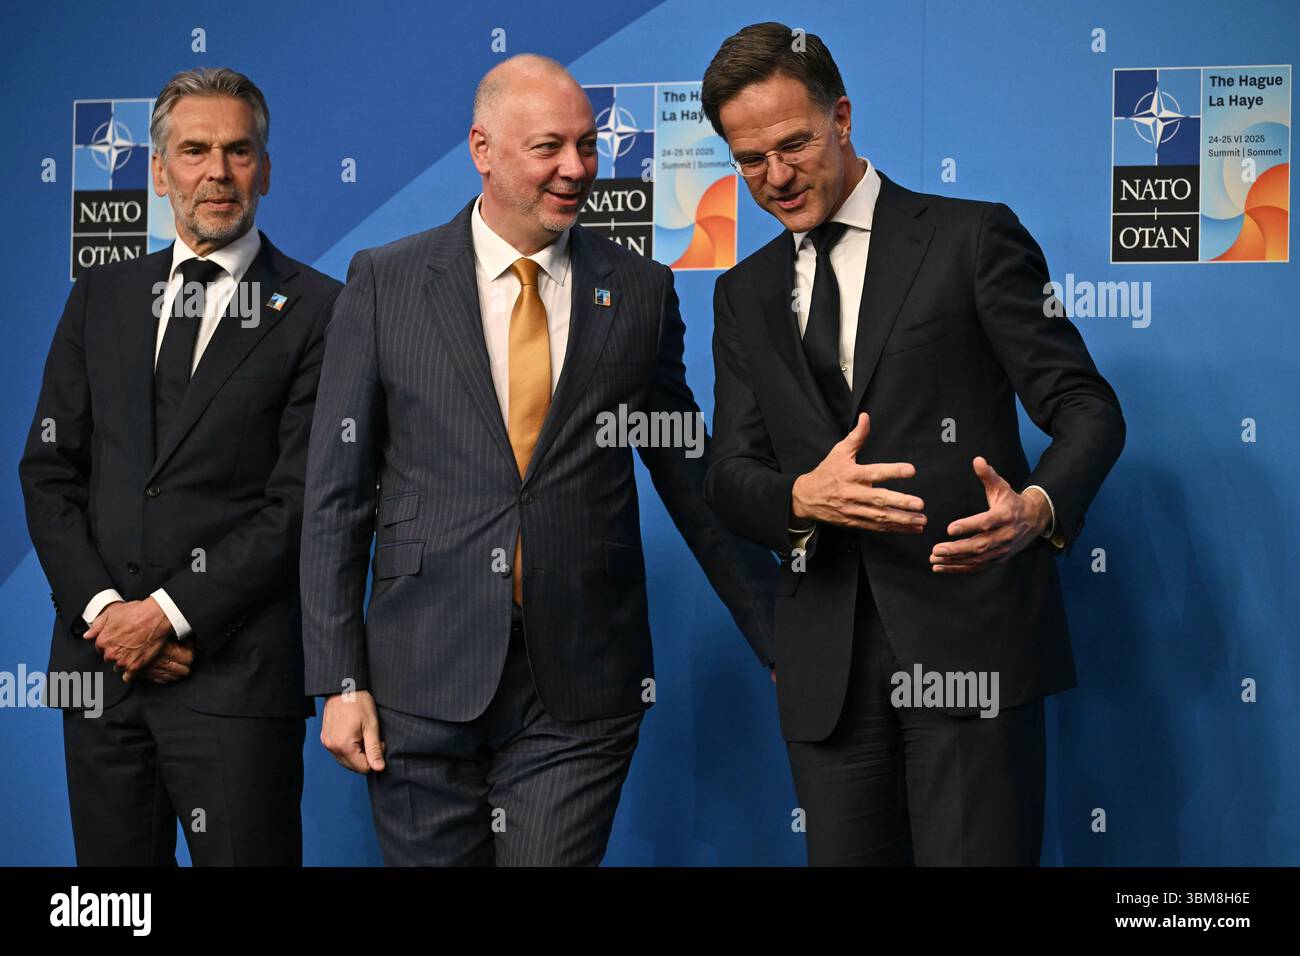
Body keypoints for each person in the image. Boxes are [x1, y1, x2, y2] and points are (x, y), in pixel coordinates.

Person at [300, 54, 775, 866]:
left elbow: (689, 478)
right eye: (549, 147)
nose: (577, 168)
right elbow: (334, 498)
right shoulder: (384, 282)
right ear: (483, 150)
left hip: (583, 681)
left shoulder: (640, 290)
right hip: (420, 676)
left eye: (588, 146)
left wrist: (780, 633)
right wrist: (339, 682)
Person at [701, 23, 1125, 865]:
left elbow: (1087, 406)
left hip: (972, 646)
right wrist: (797, 499)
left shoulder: (970, 238)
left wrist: (1037, 510)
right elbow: (727, 477)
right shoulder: (742, 294)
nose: (775, 177)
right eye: (750, 161)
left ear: (843, 118)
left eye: (794, 144)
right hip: (827, 674)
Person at [19, 67, 342, 865]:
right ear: (160, 171)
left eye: (239, 151)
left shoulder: (321, 310)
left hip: (236, 680)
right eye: (194, 150)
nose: (217, 172)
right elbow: (50, 473)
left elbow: (300, 501)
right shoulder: (99, 296)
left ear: (265, 169)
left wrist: (164, 614)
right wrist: (108, 618)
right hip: (99, 678)